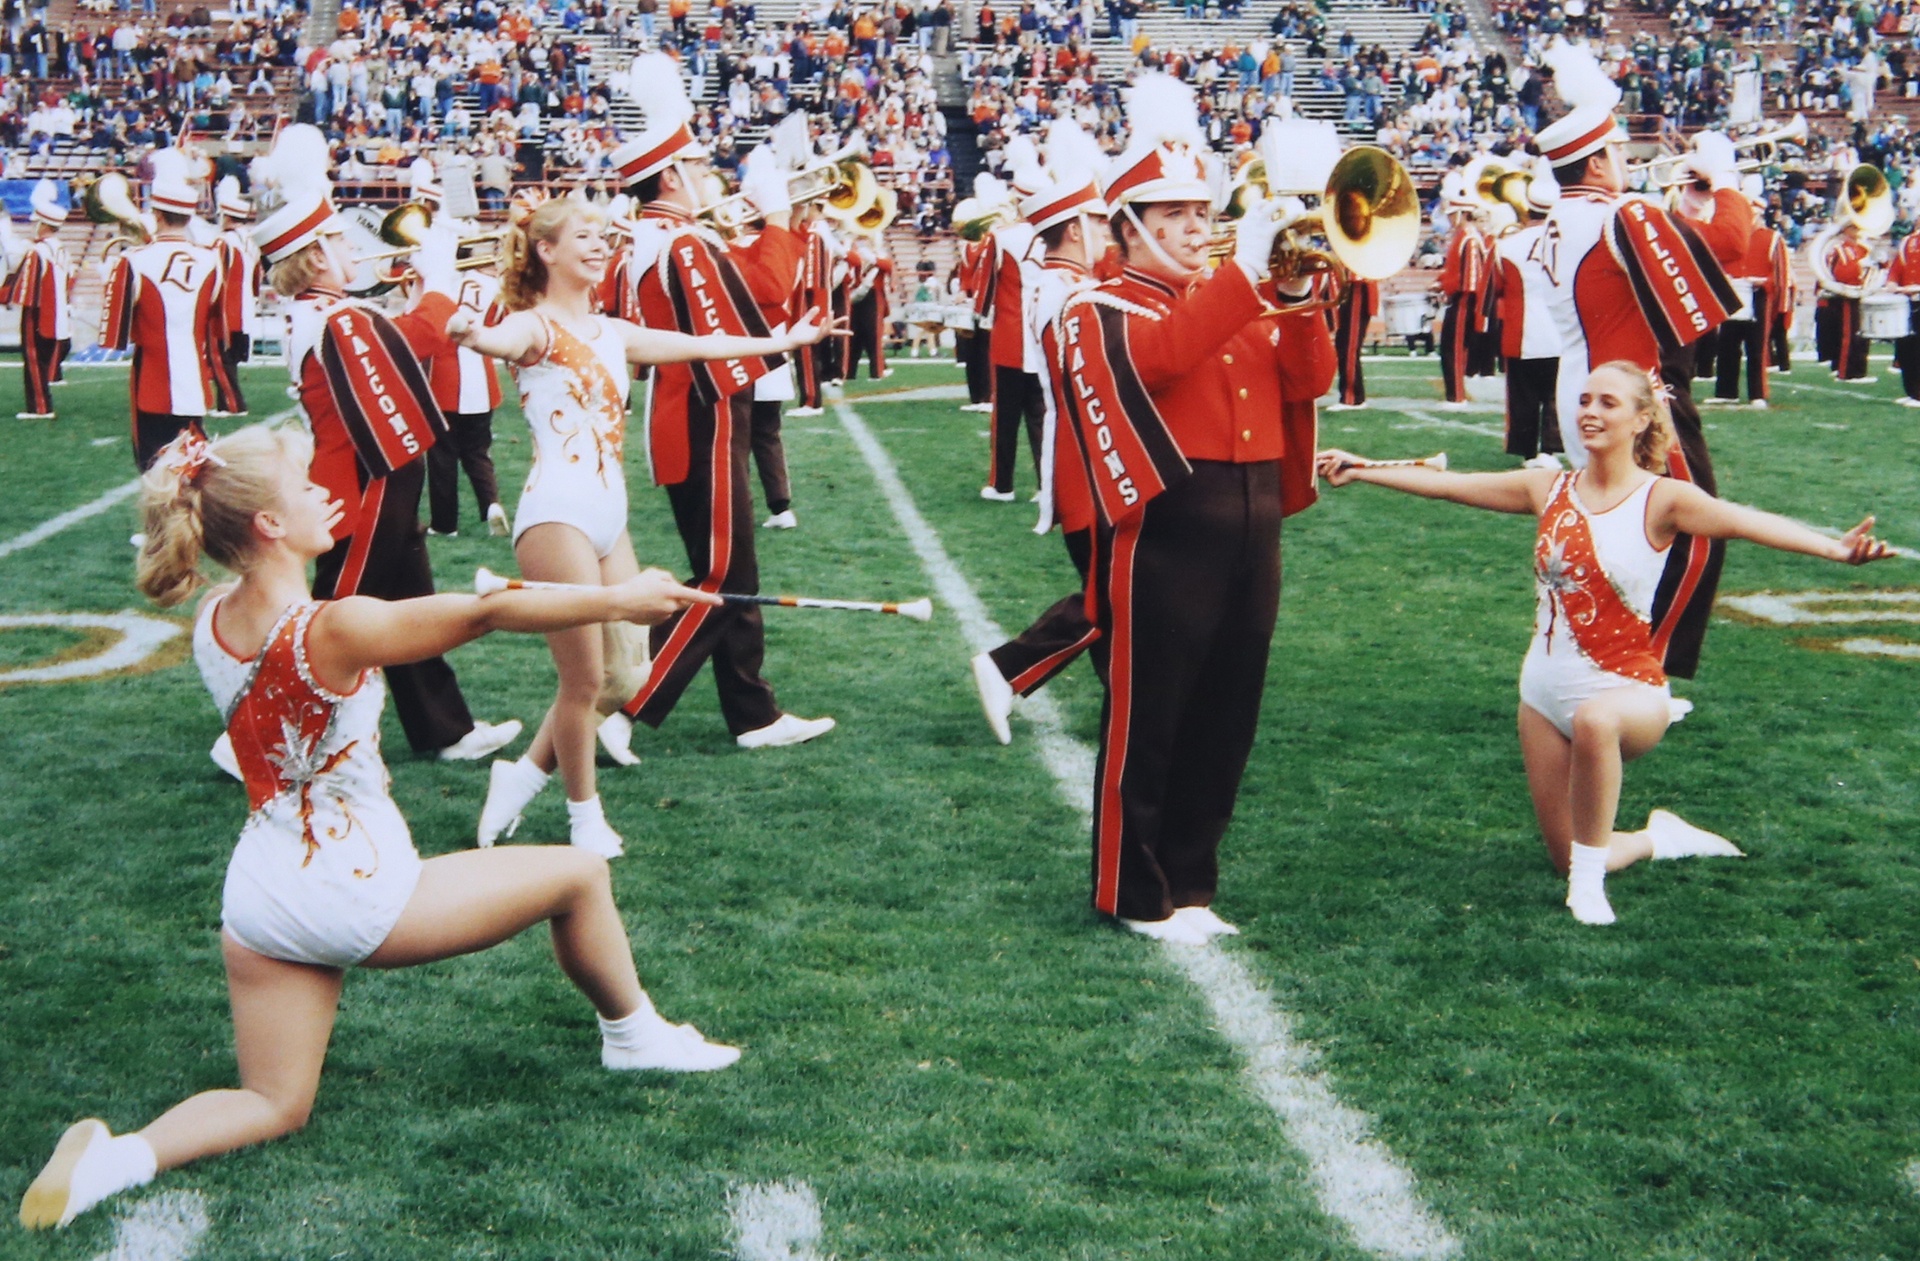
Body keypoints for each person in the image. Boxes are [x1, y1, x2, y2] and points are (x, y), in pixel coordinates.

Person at [16, 426, 737, 1235]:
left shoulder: (216, 616)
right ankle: (634, 1035)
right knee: (579, 876)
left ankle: (113, 1158)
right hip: (356, 889)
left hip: (259, 898)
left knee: (273, 1102)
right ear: (269, 525)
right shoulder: (335, 627)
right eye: (305, 482)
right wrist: (619, 598)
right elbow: (486, 614)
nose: (327, 488)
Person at [1317, 361, 1892, 925]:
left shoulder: (1663, 499)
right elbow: (1449, 486)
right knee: (1564, 851)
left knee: (1595, 723)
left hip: (1629, 693)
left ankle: (1587, 891)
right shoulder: (1549, 487)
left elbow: (1741, 521)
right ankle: (1655, 839)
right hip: (1541, 695)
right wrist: (1362, 469)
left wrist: (1833, 550)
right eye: (1586, 400)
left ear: (1642, 419)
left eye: (1607, 403)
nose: (1589, 412)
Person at [458, 194, 834, 853]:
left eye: (604, 237)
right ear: (547, 251)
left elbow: (700, 344)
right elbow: (495, 339)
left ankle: (518, 776)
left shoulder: (611, 330)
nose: (602, 246)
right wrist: (471, 332)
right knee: (581, 681)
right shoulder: (533, 327)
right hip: (557, 517)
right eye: (585, 237)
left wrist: (788, 339)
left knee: (624, 677)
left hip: (609, 518)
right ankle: (584, 817)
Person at [1054, 75, 1332, 945]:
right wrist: (1247, 277)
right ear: (1126, 223)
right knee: (1153, 716)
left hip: (1254, 520)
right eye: (1169, 213)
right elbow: (1163, 362)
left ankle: (1194, 881)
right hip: (1168, 526)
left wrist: (1301, 294)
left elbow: (1310, 381)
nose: (1192, 227)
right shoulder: (1093, 307)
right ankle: (1134, 889)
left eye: (1198, 211)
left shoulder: (1237, 296)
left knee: (1228, 713)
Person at [604, 55, 836, 753]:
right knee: (723, 581)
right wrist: (776, 217)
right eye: (699, 166)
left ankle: (753, 712)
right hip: (707, 412)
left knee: (732, 572)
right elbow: (758, 295)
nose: (710, 177)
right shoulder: (683, 242)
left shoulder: (638, 242)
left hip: (677, 414)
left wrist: (783, 335)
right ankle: (624, 710)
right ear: (672, 175)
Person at [254, 160, 518, 764]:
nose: (354, 249)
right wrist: (439, 275)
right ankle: (264, 727)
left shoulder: (328, 314)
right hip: (363, 486)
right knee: (339, 621)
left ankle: (446, 730)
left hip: (375, 479)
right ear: (317, 258)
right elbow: (413, 343)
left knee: (410, 612)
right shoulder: (332, 317)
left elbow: (397, 334)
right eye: (342, 241)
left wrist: (429, 287)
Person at [1534, 40, 1752, 684]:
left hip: (1585, 391)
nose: (1629, 166)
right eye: (1620, 156)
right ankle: (1640, 670)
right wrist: (1727, 178)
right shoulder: (1619, 213)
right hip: (1637, 398)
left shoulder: (1556, 221)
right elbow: (1731, 245)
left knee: (1624, 544)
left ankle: (1600, 662)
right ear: (1597, 162)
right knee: (1694, 530)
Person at [970, 126, 1109, 743]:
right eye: (1102, 224)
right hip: (1089, 465)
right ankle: (1007, 667)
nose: (1110, 236)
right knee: (1110, 596)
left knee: (1118, 602)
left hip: (1086, 459)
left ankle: (1134, 711)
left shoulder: (1069, 284)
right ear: (1076, 229)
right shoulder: (1069, 290)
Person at [99, 172, 227, 470]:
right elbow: (215, 322)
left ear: (156, 214)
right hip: (195, 377)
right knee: (193, 461)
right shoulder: (212, 260)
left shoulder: (134, 260)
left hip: (151, 378)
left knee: (154, 465)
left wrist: (109, 274)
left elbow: (114, 332)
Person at [1494, 169, 1562, 463]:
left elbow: (1496, 287)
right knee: (1556, 395)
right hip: (1561, 330)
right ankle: (1550, 449)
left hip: (1522, 331)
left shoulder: (1506, 245)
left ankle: (1528, 452)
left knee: (1523, 396)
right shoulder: (1568, 242)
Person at [1704, 176, 1778, 409]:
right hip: (1733, 293)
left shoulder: (1771, 239)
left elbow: (1781, 275)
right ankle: (1726, 392)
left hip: (1758, 297)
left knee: (1757, 348)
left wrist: (1763, 282)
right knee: (1727, 345)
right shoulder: (1731, 238)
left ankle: (1758, 394)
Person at [4, 180, 72, 421]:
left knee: (33, 358)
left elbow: (26, 283)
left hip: (38, 311)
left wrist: (5, 295)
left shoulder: (38, 251)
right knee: (39, 360)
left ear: (44, 225)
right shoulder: (61, 248)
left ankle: (41, 407)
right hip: (56, 311)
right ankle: (40, 405)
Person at [1434, 176, 1487, 408]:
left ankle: (1457, 397)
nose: (1448, 218)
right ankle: (1453, 394)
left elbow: (1471, 280)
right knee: (1448, 349)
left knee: (1454, 349)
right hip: (1459, 298)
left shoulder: (1470, 239)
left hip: (1464, 300)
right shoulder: (1462, 237)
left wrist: (1447, 286)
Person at [212, 177, 259, 416]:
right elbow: (257, 276)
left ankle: (232, 405)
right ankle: (226, 403)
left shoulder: (224, 242)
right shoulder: (251, 240)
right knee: (228, 359)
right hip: (246, 307)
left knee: (220, 357)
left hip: (226, 309)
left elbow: (214, 275)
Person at [1327, 274, 1376, 410]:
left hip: (1357, 286)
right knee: (1343, 346)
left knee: (1349, 347)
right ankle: (1350, 395)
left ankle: (1352, 398)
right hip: (1350, 287)